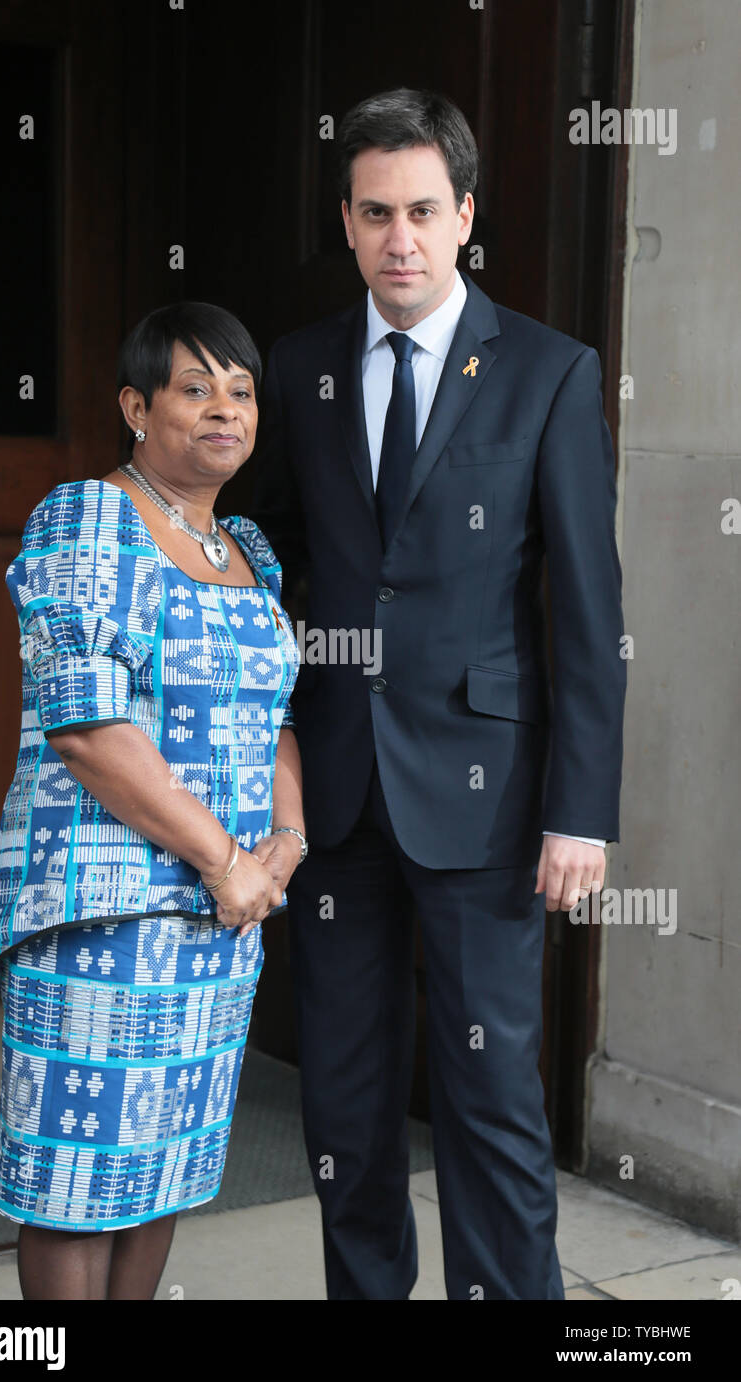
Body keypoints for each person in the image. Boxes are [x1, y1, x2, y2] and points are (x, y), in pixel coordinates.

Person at [251, 87, 627, 1300]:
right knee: (345, 1116)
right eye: (373, 213)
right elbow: (272, 566)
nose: (397, 238)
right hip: (340, 800)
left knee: (490, 1112)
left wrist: (583, 809)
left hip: (491, 800)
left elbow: (586, 609)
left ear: (462, 214)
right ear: (347, 222)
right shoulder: (298, 370)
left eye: (421, 209)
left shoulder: (549, 373)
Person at [0, 301, 306, 1300]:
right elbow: (86, 727)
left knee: (164, 1165)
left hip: (221, 922)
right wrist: (223, 859)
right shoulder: (88, 516)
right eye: (195, 388)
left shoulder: (248, 547)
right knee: (74, 1179)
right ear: (135, 405)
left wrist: (282, 845)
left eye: (240, 392)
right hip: (105, 911)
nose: (223, 411)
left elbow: (277, 718)